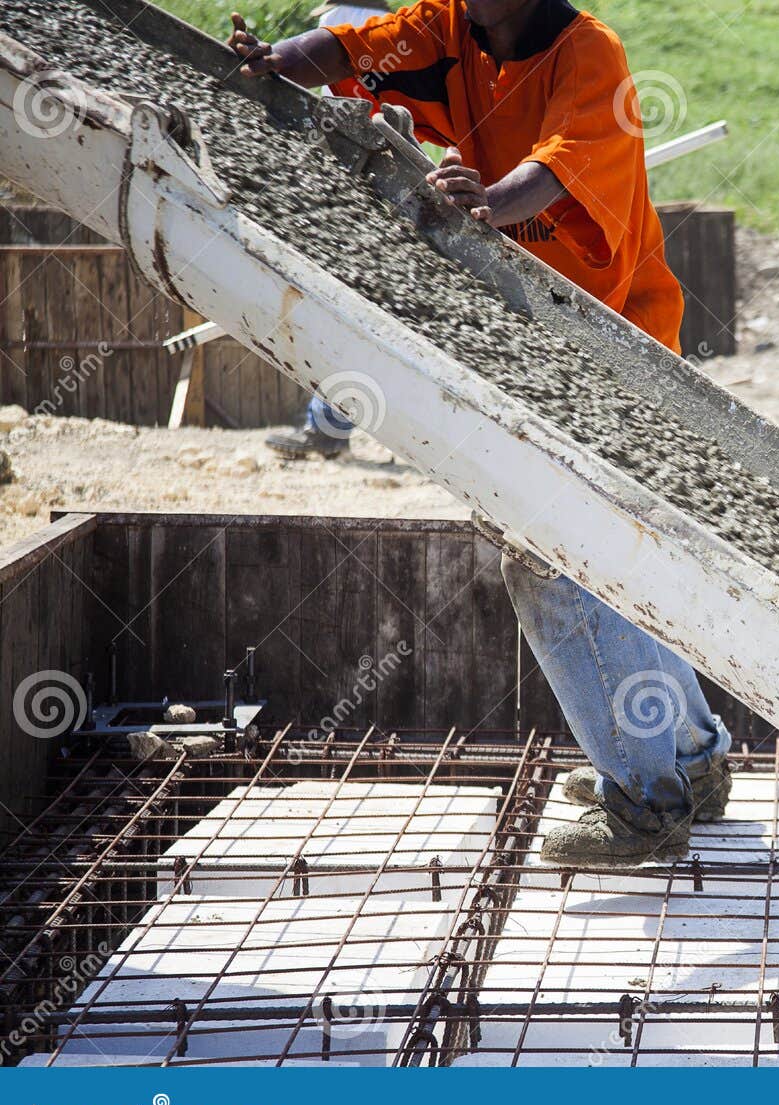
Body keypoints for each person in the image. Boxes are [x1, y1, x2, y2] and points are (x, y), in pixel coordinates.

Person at [228, 0, 730, 869]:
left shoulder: (590, 55)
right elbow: (345, 48)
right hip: (530, 339)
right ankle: (691, 760)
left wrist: (486, 203)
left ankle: (648, 801)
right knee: (612, 564)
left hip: (612, 346)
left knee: (553, 564)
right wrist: (275, 61)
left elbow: (559, 167)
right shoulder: (451, 28)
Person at [264, 0, 393, 460]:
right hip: (394, 181)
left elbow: (312, 97)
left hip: (352, 185)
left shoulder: (337, 23)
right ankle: (329, 426)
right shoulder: (398, 26)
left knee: (341, 314)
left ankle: (327, 429)